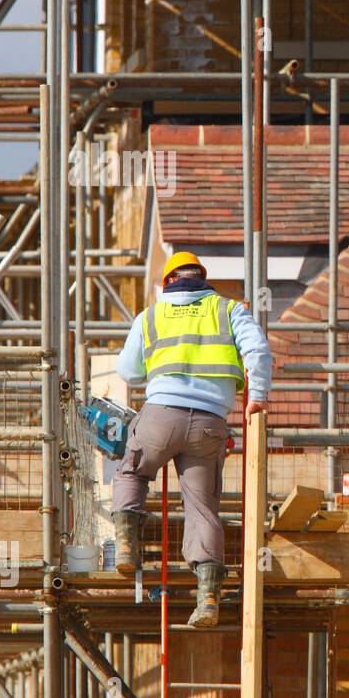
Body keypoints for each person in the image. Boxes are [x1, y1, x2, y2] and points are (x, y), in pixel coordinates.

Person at [112, 251, 271, 628]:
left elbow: (127, 371)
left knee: (132, 472)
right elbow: (259, 352)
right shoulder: (230, 310)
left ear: (167, 281)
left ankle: (125, 546)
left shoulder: (150, 315)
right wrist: (257, 397)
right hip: (209, 424)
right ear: (202, 277)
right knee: (202, 508)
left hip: (160, 417)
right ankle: (208, 597)